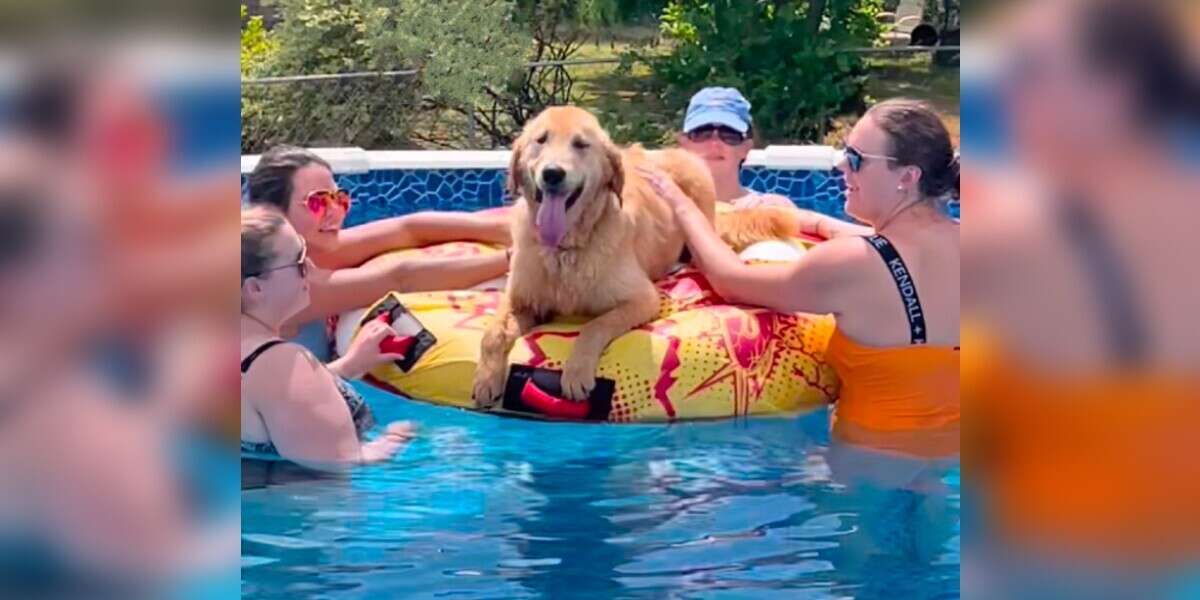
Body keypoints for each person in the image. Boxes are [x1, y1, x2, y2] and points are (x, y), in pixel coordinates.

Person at [642, 98, 960, 445]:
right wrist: (817, 222)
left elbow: (731, 281)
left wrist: (683, 206)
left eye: (855, 160)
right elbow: (899, 253)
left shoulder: (852, 263)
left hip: (869, 471)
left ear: (908, 177)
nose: (842, 168)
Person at [244, 145, 513, 345]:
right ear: (270, 212)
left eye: (339, 198)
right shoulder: (275, 281)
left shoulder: (308, 248)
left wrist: (505, 229)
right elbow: (401, 277)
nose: (335, 212)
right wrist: (513, 260)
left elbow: (407, 229)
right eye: (317, 202)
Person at [240, 205, 416, 470]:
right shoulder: (282, 364)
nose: (310, 267)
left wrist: (348, 366)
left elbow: (269, 402)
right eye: (299, 262)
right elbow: (338, 468)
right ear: (255, 288)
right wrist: (395, 437)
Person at [677, 86, 873, 238]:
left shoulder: (772, 209)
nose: (714, 142)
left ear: (746, 147)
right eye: (701, 133)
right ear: (683, 143)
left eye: (729, 135)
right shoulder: (663, 208)